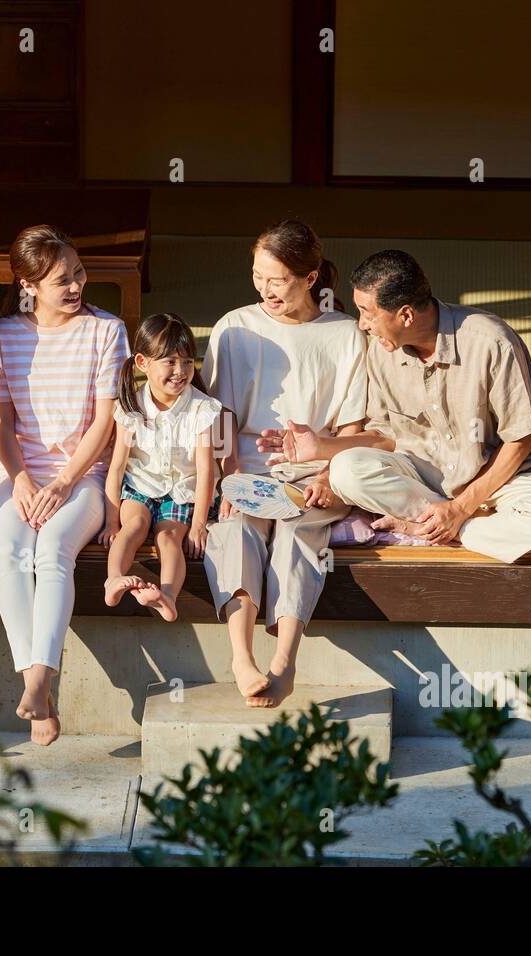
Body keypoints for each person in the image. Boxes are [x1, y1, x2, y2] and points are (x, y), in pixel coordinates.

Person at [263, 248, 531, 564]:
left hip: (499, 479)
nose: (362, 325)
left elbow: (520, 439)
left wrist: (459, 510)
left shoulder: (491, 342)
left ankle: (433, 529)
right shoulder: (381, 353)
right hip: (423, 481)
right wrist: (322, 446)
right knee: (346, 471)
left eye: (368, 312)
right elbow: (385, 436)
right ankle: (450, 526)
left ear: (406, 315)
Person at [203, 220, 368, 708]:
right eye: (258, 276)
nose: (264, 289)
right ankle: (241, 658)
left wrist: (325, 475)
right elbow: (219, 418)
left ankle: (285, 662)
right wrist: (231, 476)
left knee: (299, 534)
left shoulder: (344, 334)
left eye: (277, 279)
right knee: (235, 532)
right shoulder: (234, 327)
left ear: (310, 276)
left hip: (314, 470)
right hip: (246, 468)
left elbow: (354, 427)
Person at [0, 225, 128, 746]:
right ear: (28, 285)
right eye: (59, 281)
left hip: (83, 473)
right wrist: (21, 480)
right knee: (11, 550)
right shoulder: (4, 333)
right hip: (16, 469)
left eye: (78, 274)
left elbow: (105, 422)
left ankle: (39, 679)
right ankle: (38, 687)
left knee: (52, 550)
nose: (75, 287)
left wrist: (65, 482)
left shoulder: (106, 331)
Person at [100, 313, 223, 622]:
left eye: (186, 361)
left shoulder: (201, 408)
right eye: (170, 362)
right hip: (141, 486)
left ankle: (167, 595)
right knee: (134, 528)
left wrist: (198, 524)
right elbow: (117, 468)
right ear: (143, 362)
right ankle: (113, 578)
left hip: (182, 491)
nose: (180, 371)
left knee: (168, 538)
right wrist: (110, 522)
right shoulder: (132, 406)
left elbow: (206, 470)